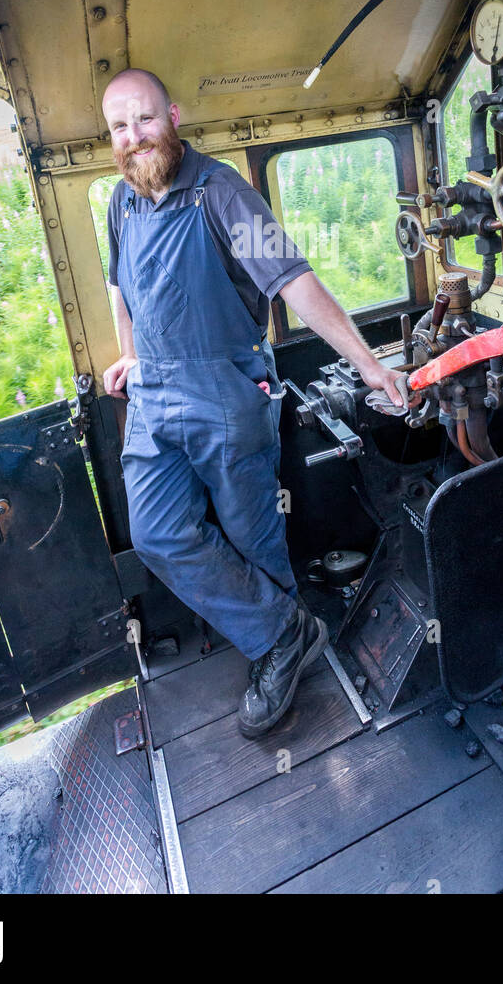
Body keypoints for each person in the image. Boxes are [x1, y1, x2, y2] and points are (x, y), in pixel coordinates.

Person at [102, 68, 402, 738]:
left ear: (172, 114)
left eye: (145, 120)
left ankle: (278, 663)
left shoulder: (221, 192)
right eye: (120, 127)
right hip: (153, 394)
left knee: (252, 535)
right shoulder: (120, 205)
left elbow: (295, 281)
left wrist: (371, 366)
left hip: (224, 390)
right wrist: (129, 352)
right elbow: (121, 289)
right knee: (155, 532)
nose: (134, 137)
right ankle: (286, 632)